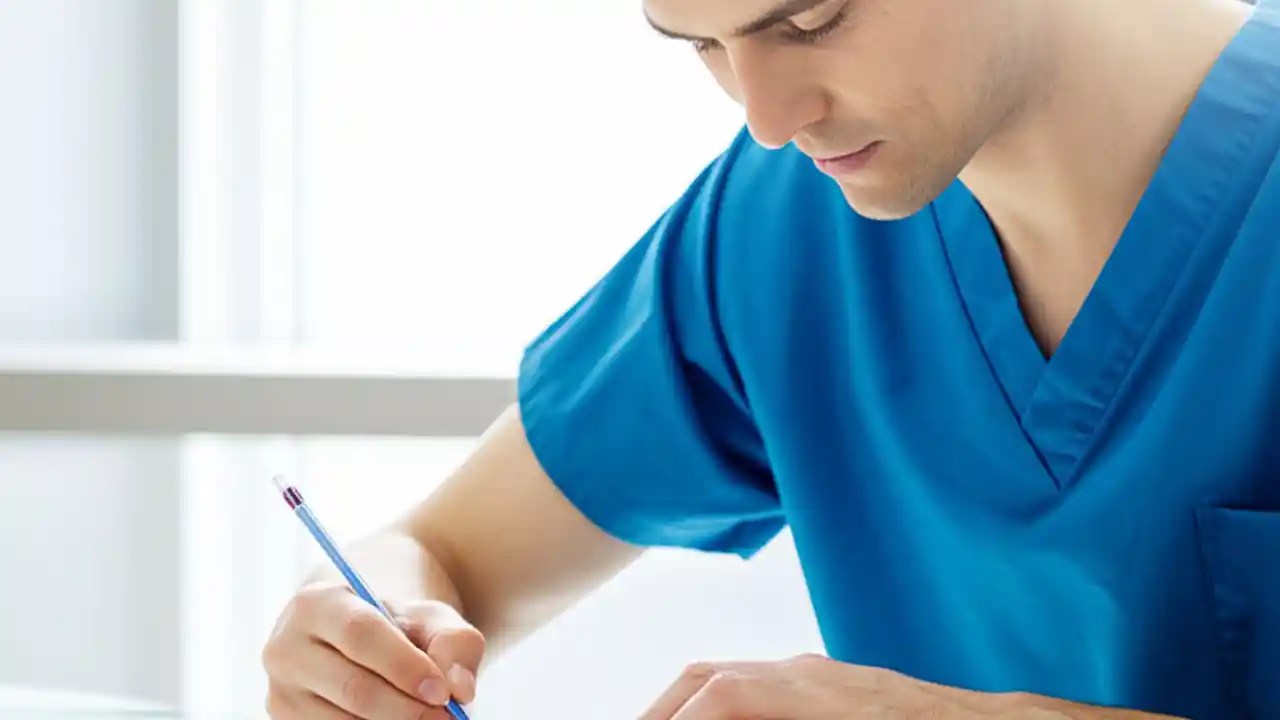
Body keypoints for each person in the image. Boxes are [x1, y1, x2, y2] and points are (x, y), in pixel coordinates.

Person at [262, 0, 1280, 717]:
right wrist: (363, 635)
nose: (767, 118)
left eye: (809, 21)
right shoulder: (784, 223)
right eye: (699, 44)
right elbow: (445, 553)